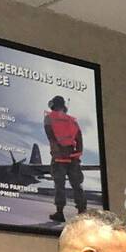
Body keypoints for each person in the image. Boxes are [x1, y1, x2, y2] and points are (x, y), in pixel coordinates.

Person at [45, 96, 87, 224]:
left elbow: (50, 135)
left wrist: (58, 149)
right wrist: (77, 153)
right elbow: (79, 137)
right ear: (64, 106)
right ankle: (81, 212)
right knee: (77, 185)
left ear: (53, 105)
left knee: (59, 186)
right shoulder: (72, 121)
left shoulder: (49, 118)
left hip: (59, 157)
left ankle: (59, 213)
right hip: (72, 157)